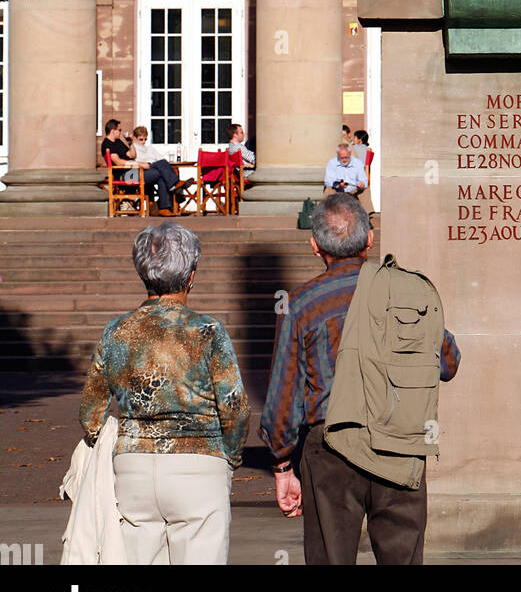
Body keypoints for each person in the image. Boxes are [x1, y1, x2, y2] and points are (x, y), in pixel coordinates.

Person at [260, 193, 460, 565]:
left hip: (330, 448)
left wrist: (282, 465)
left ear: (315, 245)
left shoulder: (301, 303)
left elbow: (283, 394)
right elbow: (448, 362)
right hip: (399, 441)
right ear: (370, 240)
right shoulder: (409, 292)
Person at [79, 222, 250, 565]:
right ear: (191, 276)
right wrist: (229, 456)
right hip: (200, 463)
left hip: (133, 468)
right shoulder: (208, 331)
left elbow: (90, 414)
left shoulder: (117, 331)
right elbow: (235, 407)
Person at [128, 126, 195, 215]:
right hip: (142, 170)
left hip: (154, 169)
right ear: (135, 138)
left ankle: (165, 208)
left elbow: (161, 159)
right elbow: (132, 160)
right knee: (161, 167)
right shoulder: (133, 148)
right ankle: (176, 185)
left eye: (145, 139)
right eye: (141, 139)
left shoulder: (149, 148)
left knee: (162, 173)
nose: (143, 142)